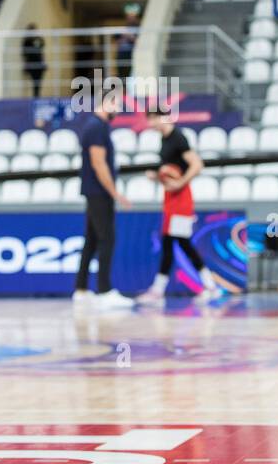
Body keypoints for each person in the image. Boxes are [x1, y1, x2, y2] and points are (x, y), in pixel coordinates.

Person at [138, 107, 219, 305]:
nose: (151, 124)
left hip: (181, 199)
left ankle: (208, 286)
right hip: (170, 198)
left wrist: (181, 182)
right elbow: (170, 170)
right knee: (173, 242)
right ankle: (206, 285)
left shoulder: (178, 138)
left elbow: (197, 164)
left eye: (153, 119)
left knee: (178, 243)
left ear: (162, 118)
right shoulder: (165, 140)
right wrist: (157, 177)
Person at [72, 87, 133, 309]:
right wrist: (115, 193)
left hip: (95, 192)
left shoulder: (97, 126)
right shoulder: (96, 127)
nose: (118, 109)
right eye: (116, 104)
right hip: (99, 193)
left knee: (92, 240)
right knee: (107, 238)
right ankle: (105, 290)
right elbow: (99, 164)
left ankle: (80, 289)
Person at [22, 26, 46, 96]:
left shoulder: (38, 39)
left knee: (38, 82)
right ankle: (35, 96)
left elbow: (43, 44)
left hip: (39, 64)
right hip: (32, 64)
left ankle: (36, 96)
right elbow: (25, 53)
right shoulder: (27, 41)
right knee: (34, 81)